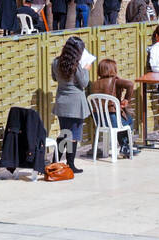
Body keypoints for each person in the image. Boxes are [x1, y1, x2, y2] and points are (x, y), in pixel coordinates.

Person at [50, 36, 89, 174]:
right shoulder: (77, 66)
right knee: (74, 135)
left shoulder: (56, 62)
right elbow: (84, 83)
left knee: (64, 133)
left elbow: (54, 78)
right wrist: (86, 68)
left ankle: (55, 160)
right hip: (76, 104)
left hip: (62, 102)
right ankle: (70, 163)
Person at [90, 56, 136, 156]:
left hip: (99, 121)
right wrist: (126, 100)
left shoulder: (94, 84)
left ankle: (125, 147)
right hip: (113, 120)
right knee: (129, 121)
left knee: (122, 121)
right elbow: (130, 84)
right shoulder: (115, 81)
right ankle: (125, 147)